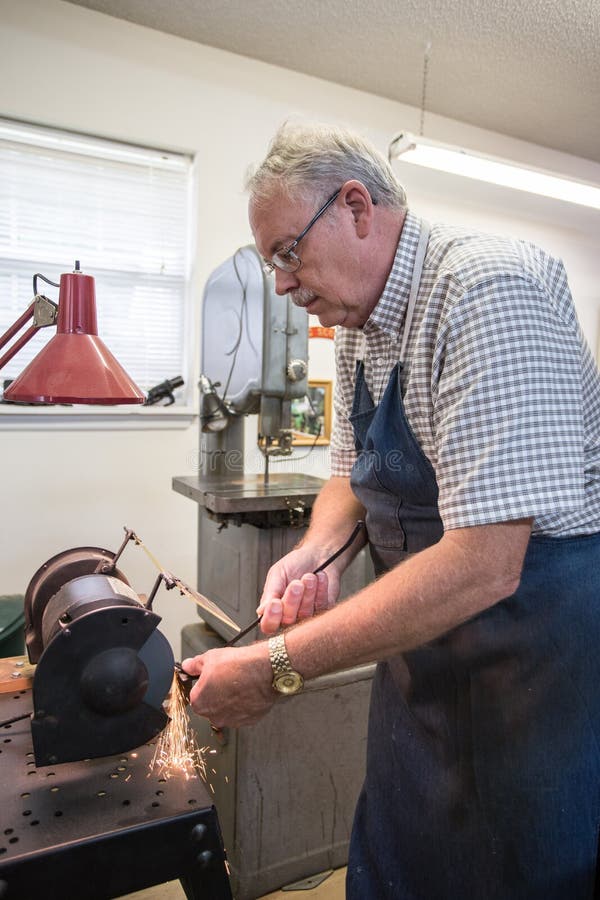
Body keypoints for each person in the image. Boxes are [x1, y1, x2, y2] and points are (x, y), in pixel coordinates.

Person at [182, 122, 600, 899]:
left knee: (524, 868)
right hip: (426, 654)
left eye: (285, 253)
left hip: (535, 650)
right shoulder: (360, 319)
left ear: (355, 208)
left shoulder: (488, 292)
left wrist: (276, 670)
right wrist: (316, 550)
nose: (279, 283)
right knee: (402, 860)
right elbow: (349, 471)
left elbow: (485, 561)